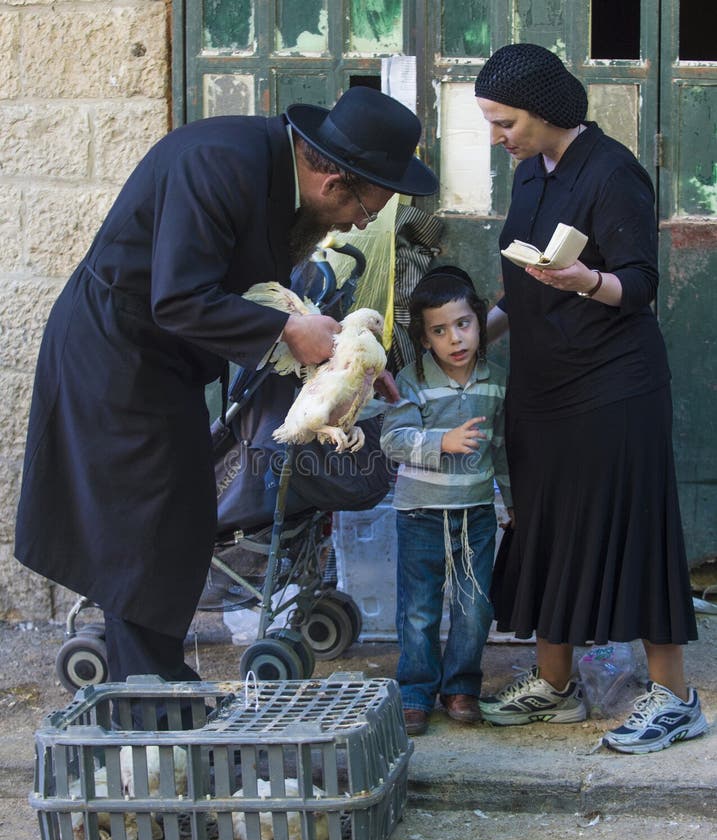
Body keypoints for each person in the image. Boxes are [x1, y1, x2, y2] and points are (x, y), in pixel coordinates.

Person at [15, 86, 438, 686]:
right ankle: (147, 686)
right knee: (142, 520)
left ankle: (150, 677)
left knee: (180, 515)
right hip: (113, 355)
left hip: (161, 360)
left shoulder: (274, 174)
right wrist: (291, 332)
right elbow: (180, 296)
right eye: (366, 209)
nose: (359, 223)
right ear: (333, 183)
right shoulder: (220, 163)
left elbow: (268, 294)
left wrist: (352, 355)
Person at [473, 43, 706, 753]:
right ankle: (556, 684)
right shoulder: (528, 174)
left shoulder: (612, 173)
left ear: (543, 113)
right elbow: (521, 278)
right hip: (540, 385)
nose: (497, 137)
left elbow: (637, 285)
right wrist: (473, 331)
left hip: (612, 386)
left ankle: (674, 698)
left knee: (634, 531)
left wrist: (584, 281)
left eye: (505, 122)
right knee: (545, 526)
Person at [380, 266, 513, 735]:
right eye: (440, 330)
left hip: (475, 515)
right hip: (419, 514)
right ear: (424, 339)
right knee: (419, 609)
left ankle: (461, 686)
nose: (455, 338)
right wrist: (442, 441)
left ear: (479, 321)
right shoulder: (411, 381)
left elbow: (501, 449)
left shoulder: (496, 381)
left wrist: (511, 503)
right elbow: (392, 440)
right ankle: (415, 692)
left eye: (463, 324)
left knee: (475, 606)